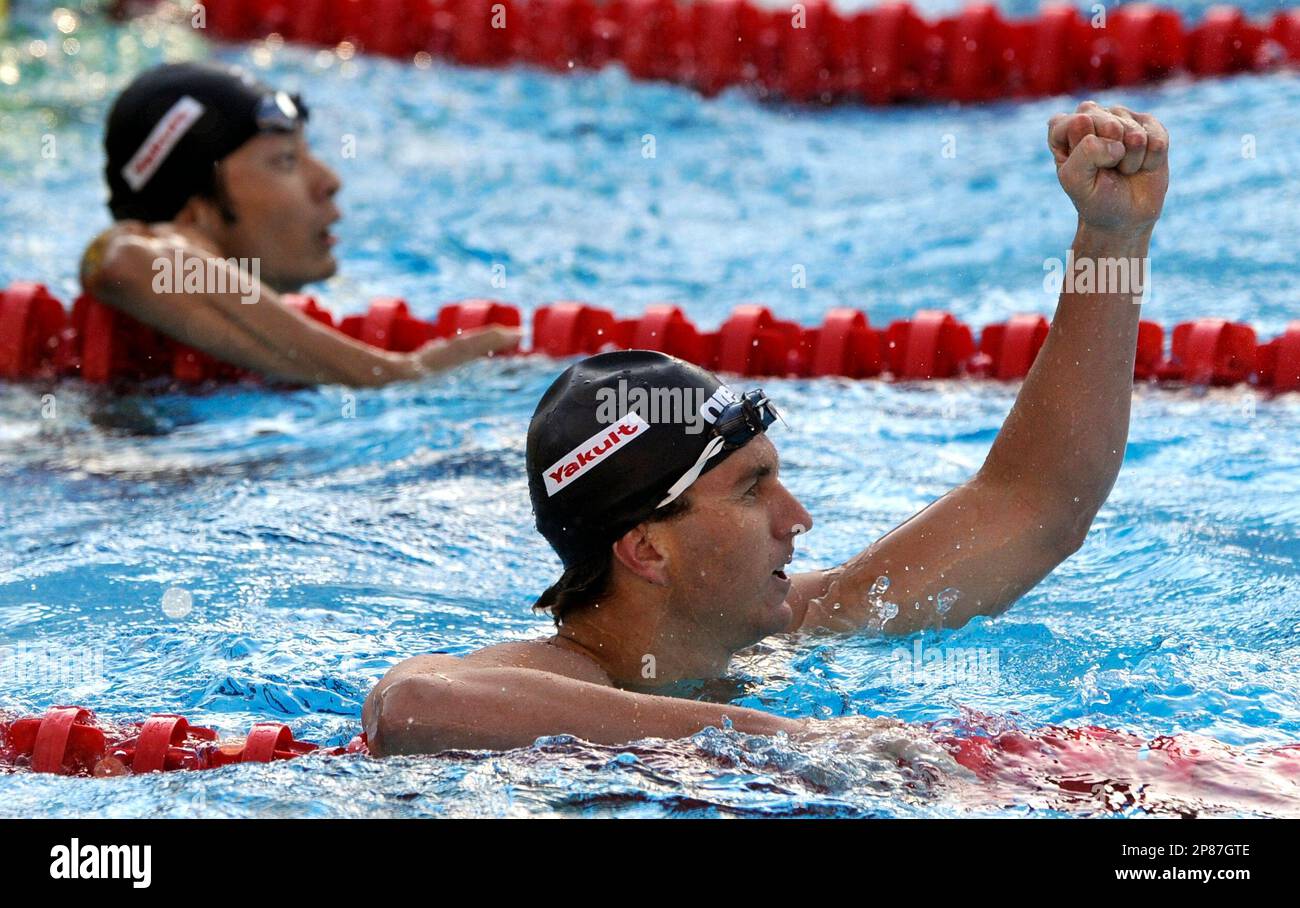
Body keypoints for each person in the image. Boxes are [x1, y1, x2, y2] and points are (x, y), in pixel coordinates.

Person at [362, 100, 1170, 756]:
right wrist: (787, 742)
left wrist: (1112, 241)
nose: (798, 519)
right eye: (753, 490)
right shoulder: (561, 674)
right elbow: (412, 705)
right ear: (647, 547)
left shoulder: (785, 632)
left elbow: (1037, 503)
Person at [79, 61, 519, 386]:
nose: (329, 180)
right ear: (196, 212)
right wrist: (396, 372)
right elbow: (125, 262)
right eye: (286, 161)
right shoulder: (154, 252)